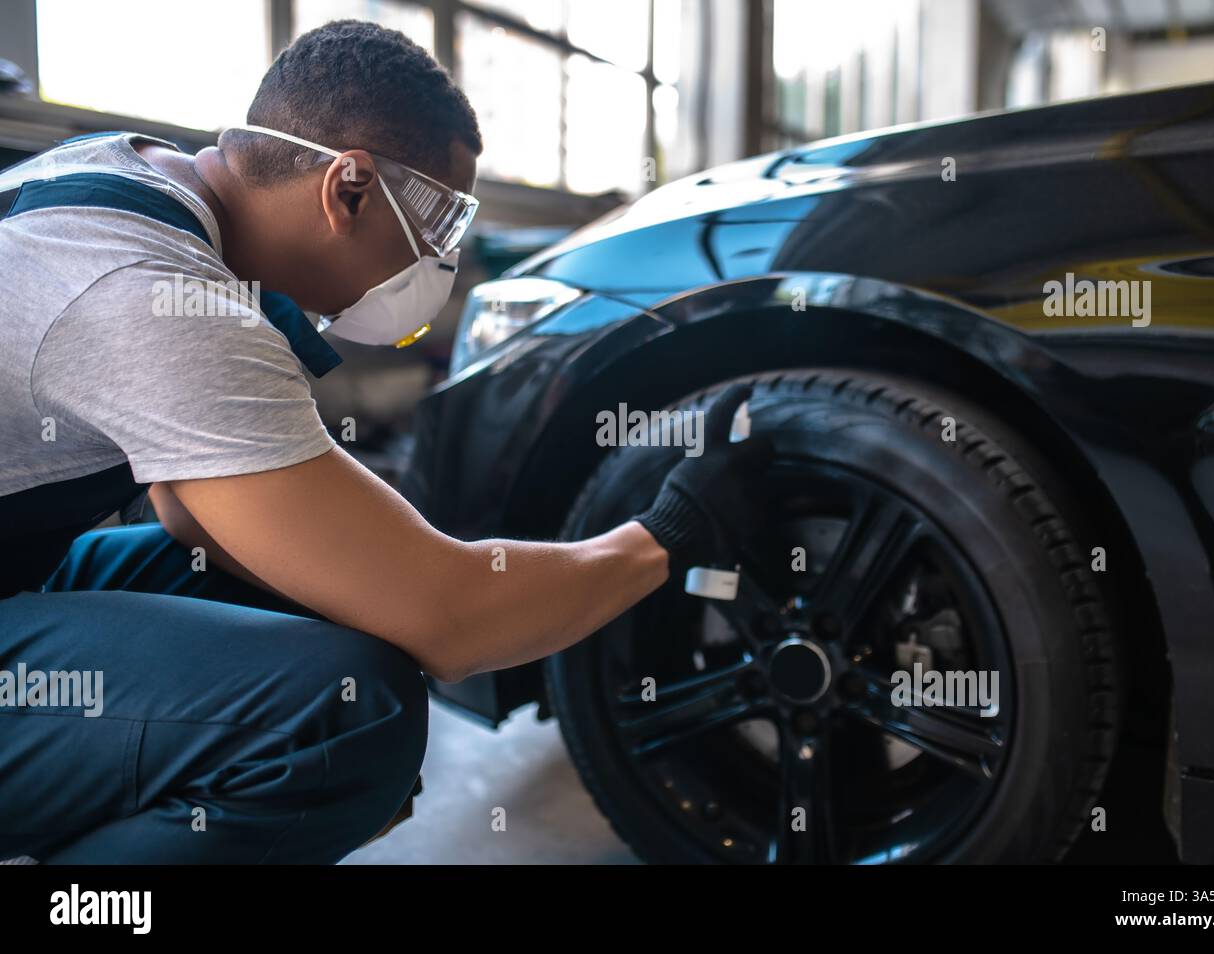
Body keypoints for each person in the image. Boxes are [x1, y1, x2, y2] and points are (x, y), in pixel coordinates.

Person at [0, 19, 771, 863]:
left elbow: (193, 520)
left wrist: (396, 577)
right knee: (341, 716)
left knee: (322, 599)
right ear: (350, 189)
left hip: (20, 574)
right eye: (436, 228)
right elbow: (452, 619)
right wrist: (667, 537)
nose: (440, 264)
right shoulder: (155, 297)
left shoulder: (126, 176)